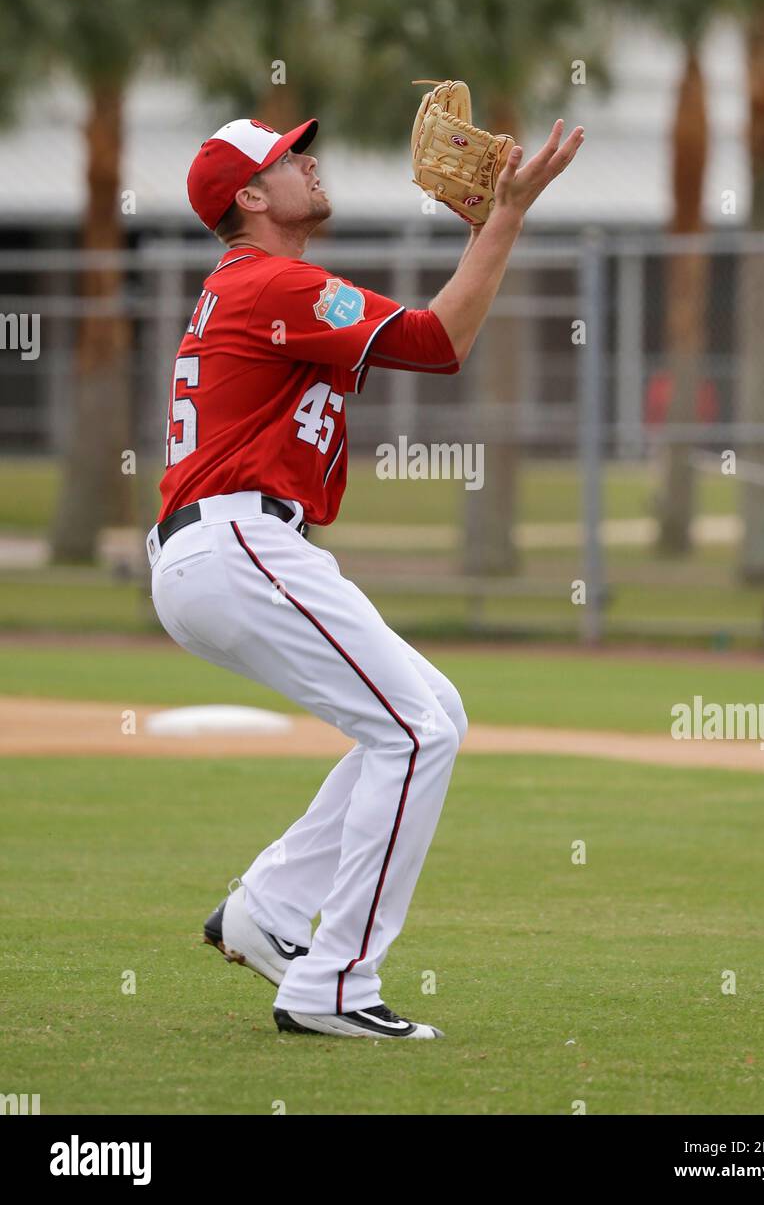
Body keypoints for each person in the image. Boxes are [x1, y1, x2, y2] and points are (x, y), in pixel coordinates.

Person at [147, 112, 584, 1039]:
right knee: (414, 734)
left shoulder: (259, 282)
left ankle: (266, 909)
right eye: (286, 158)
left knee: (433, 713)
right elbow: (439, 341)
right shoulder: (273, 281)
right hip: (239, 542)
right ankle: (333, 985)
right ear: (251, 198)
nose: (309, 160)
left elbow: (426, 340)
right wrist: (499, 217)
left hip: (235, 547)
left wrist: (487, 225)